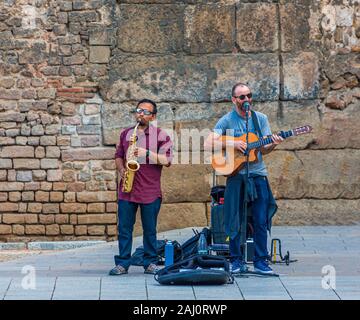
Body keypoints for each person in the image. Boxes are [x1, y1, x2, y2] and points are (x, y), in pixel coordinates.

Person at [205, 83, 284, 274]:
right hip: (235, 175)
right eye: (242, 97)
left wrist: (273, 144)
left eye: (249, 95)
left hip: (258, 175)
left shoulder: (260, 119)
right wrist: (234, 142)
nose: (246, 99)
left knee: (260, 219)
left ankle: (260, 262)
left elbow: (263, 149)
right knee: (233, 218)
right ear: (234, 100)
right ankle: (236, 260)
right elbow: (209, 143)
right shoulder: (227, 120)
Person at [109, 99, 173, 275]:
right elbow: (118, 155)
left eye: (145, 112)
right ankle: (122, 263)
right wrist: (122, 169)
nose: (141, 114)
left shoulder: (161, 135)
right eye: (139, 110)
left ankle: (150, 262)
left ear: (153, 116)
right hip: (127, 188)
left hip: (150, 190)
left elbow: (167, 160)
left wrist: (145, 153)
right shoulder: (126, 134)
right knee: (124, 228)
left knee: (150, 229)